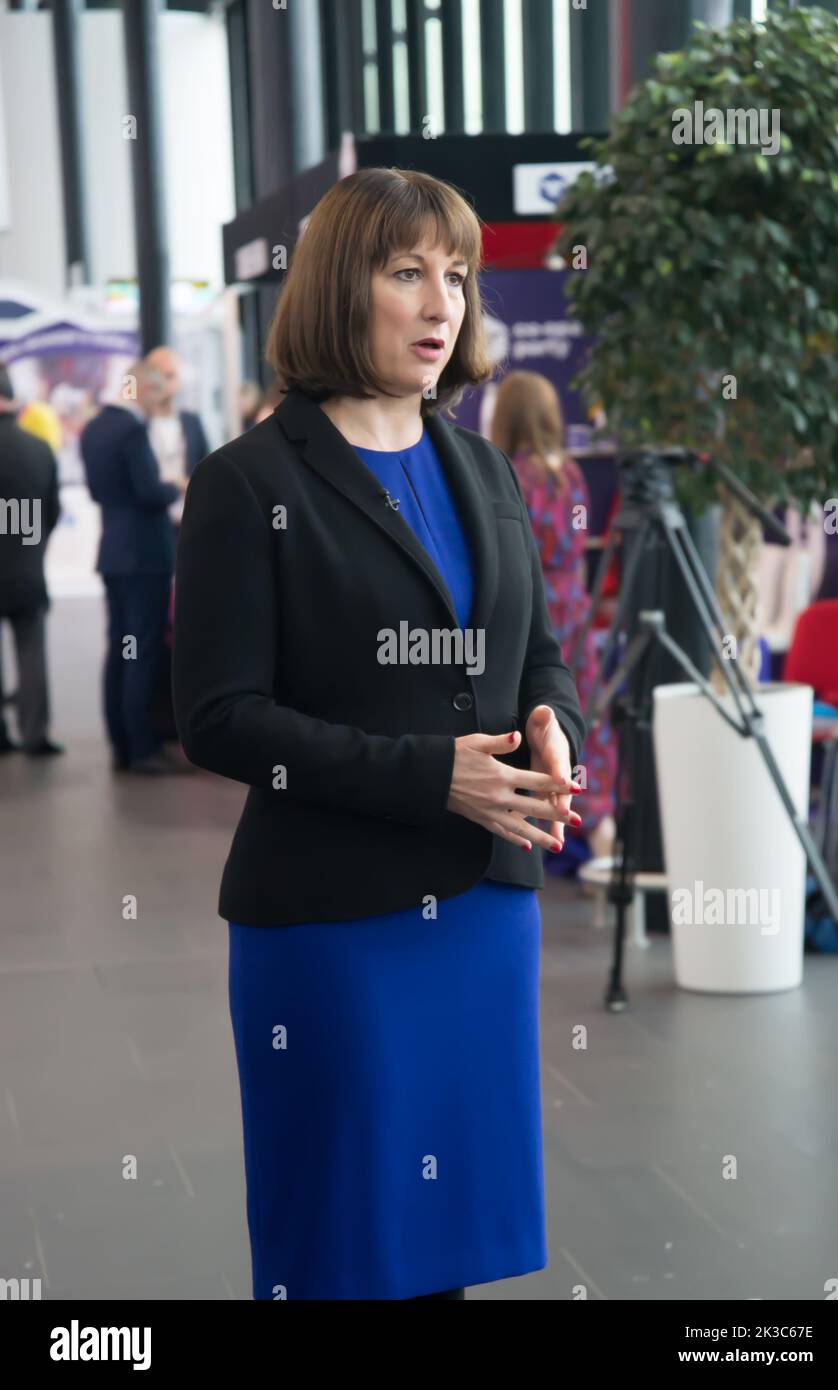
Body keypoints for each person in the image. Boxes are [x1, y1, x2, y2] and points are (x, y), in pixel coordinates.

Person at [171, 167, 586, 1301]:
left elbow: (534, 653)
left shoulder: (481, 466)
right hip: (334, 921)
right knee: (347, 1253)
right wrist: (428, 778)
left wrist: (554, 723)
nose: (441, 303)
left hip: (480, 915)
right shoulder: (249, 480)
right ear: (337, 292)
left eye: (456, 275)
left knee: (443, 1255)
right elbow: (215, 717)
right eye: (406, 273)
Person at [491, 372, 617, 863]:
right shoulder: (570, 473)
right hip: (574, 608)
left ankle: (535, 843)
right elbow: (582, 551)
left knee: (532, 716)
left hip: (532, 609)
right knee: (584, 716)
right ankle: (600, 835)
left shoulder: (507, 475)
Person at [81, 360, 193, 775]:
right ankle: (142, 747)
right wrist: (176, 485)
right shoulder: (130, 431)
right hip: (144, 555)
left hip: (113, 551)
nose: (159, 402)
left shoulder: (95, 428)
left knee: (120, 647)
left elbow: (99, 492)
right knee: (141, 650)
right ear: (143, 390)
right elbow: (149, 492)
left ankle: (122, 742)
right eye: (158, 393)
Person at [0, 366, 64, 756]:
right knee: (31, 652)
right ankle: (35, 732)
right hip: (26, 568)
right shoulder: (39, 449)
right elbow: (52, 511)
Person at [143, 345, 210, 528]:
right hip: (151, 524)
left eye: (171, 376)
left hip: (189, 522)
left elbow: (207, 468)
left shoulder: (191, 422)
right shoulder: (137, 425)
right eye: (161, 375)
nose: (165, 383)